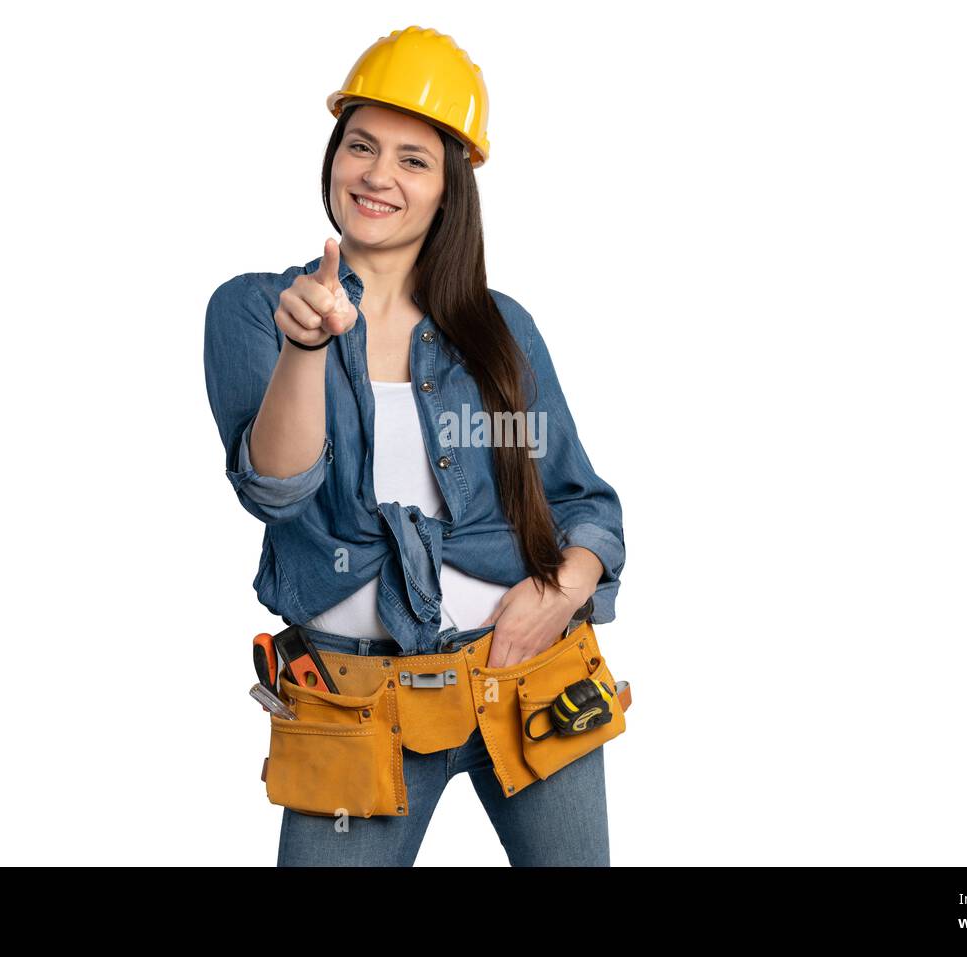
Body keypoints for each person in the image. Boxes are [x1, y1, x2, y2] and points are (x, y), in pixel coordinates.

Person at [203, 26, 626, 866]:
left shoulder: (500, 331)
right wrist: (307, 349)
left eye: (412, 159)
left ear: (447, 190)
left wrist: (561, 588)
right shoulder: (256, 309)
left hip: (530, 684)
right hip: (354, 706)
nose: (377, 175)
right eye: (361, 146)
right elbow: (276, 490)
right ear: (333, 158)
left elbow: (581, 504)